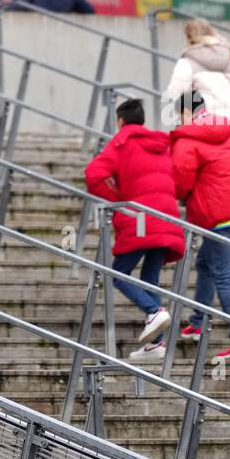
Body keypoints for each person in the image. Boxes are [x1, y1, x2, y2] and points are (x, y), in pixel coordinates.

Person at [84, 99, 184, 362]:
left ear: (120, 121)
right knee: (149, 277)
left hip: (140, 219)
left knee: (119, 274)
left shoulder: (121, 143)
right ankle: (156, 344)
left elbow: (93, 175)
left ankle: (153, 311)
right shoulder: (162, 144)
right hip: (166, 216)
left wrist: (118, 199)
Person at [170, 93, 230, 362]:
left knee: (223, 275)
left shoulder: (186, 140)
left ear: (185, 113)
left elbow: (180, 182)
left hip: (218, 215)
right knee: (205, 264)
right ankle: (198, 321)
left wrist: (183, 196)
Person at [163, 19, 230, 125]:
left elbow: (174, 95)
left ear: (189, 38)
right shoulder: (228, 60)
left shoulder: (186, 63)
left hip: (206, 125)